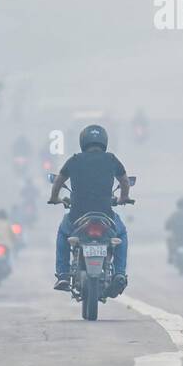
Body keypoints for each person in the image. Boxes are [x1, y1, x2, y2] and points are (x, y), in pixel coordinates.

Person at [48, 124, 130, 295]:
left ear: (83, 141)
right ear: (104, 141)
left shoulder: (74, 160)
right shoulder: (111, 159)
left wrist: (55, 198)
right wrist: (124, 197)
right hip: (106, 215)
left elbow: (58, 182)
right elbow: (124, 181)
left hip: (77, 216)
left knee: (64, 232)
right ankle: (119, 273)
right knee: (121, 233)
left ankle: (63, 274)